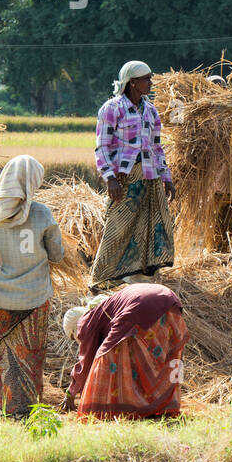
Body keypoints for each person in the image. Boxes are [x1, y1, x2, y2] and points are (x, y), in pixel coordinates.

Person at [0, 155, 65, 421]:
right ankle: (26, 414)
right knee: (29, 360)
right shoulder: (42, 214)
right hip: (33, 303)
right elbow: (57, 256)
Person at [90, 61, 176, 289]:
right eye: (146, 79)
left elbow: (157, 148)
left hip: (150, 176)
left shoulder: (150, 110)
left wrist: (166, 177)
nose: (151, 83)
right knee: (118, 227)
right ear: (133, 83)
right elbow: (102, 147)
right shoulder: (112, 108)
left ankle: (137, 274)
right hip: (125, 178)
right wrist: (110, 178)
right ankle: (103, 278)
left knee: (150, 223)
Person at [63, 283, 188, 419]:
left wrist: (71, 392)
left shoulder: (85, 321)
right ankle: (163, 407)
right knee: (160, 359)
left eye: (73, 336)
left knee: (105, 361)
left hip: (141, 305)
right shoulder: (106, 311)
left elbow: (86, 362)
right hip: (169, 301)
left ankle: (123, 411)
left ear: (74, 329)